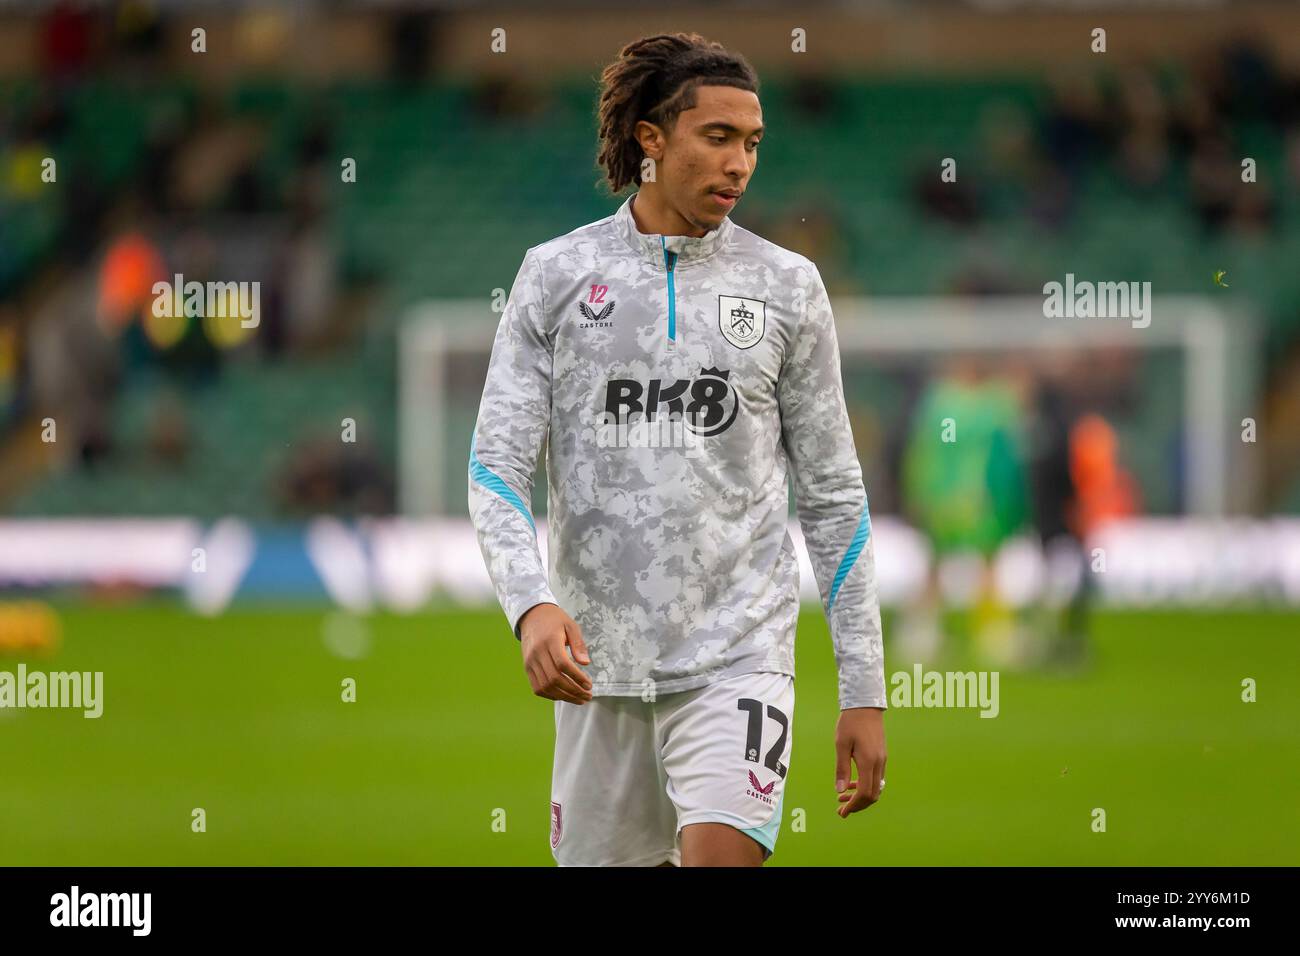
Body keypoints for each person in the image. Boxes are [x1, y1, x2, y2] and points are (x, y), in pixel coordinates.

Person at [468, 33, 886, 867]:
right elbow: (496, 467)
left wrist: (864, 689)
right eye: (718, 137)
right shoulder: (555, 276)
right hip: (598, 671)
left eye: (753, 143)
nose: (740, 164)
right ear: (652, 140)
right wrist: (529, 605)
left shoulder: (787, 288)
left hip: (740, 657)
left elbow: (835, 496)